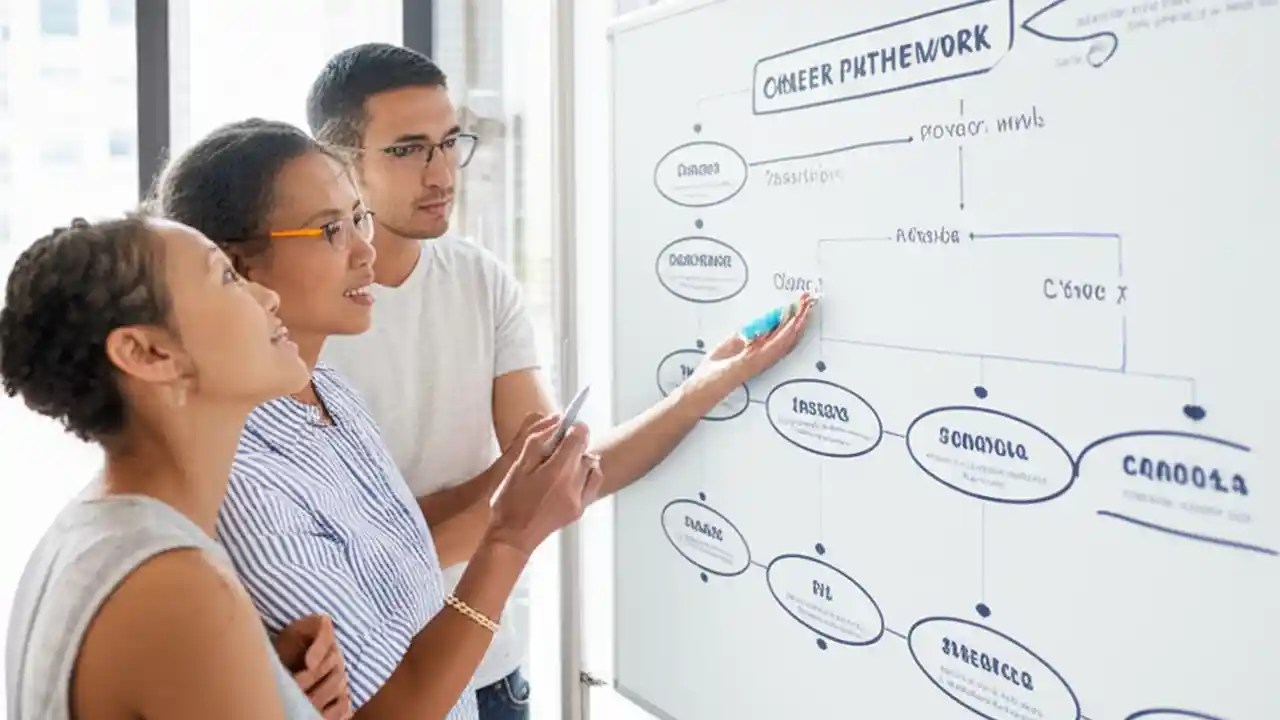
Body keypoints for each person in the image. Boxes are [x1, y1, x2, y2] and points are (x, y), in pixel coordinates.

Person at [305, 43, 813, 718]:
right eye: (408, 149)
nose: (442, 172)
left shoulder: (478, 280)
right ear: (340, 163)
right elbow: (353, 551)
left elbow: (564, 475)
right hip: (372, 685)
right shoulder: (300, 313)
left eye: (450, 141)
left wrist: (705, 388)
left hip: (492, 679)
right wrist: (503, 507)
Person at [153, 118, 603, 720]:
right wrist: (511, 537)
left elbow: (394, 543)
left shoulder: (333, 394)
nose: (366, 249)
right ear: (238, 267)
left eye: (357, 218)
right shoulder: (235, 471)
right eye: (331, 230)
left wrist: (512, 482)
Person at [0, 215, 352, 719]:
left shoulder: (93, 533)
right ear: (148, 353)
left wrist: (267, 682)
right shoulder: (178, 588)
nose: (267, 298)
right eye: (228, 277)